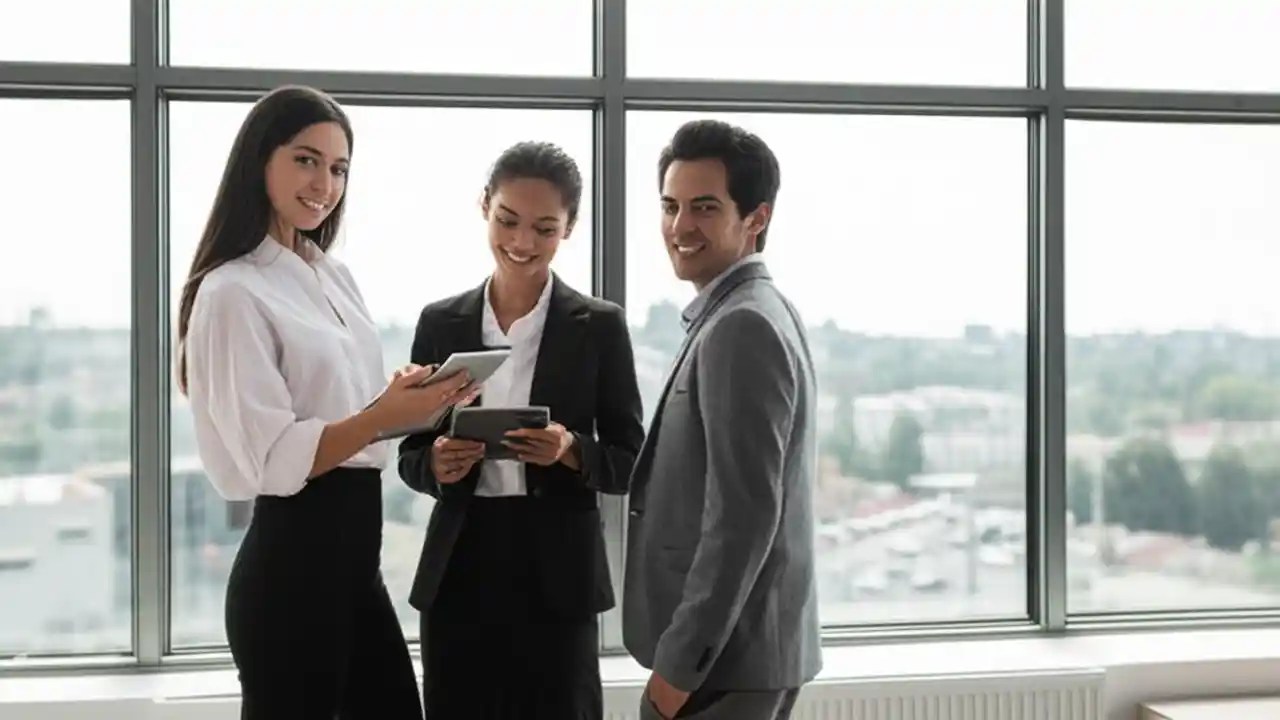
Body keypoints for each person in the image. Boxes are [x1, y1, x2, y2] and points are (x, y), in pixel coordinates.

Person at [178, 85, 474, 719]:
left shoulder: (331, 274)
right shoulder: (231, 292)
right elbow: (273, 457)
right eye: (306, 159)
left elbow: (353, 419)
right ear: (261, 158)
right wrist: (381, 416)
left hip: (354, 565)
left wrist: (413, 403)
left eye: (338, 168)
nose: (325, 182)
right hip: (292, 570)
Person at [398, 140, 646, 719]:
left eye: (545, 228)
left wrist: (570, 450)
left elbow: (630, 459)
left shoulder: (599, 327)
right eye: (508, 221)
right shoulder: (442, 322)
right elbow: (409, 452)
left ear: (569, 228)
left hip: (556, 576)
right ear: (484, 206)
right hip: (462, 567)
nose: (522, 243)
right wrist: (435, 463)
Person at [623, 119, 823, 720]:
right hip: (736, 659)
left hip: (723, 667)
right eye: (670, 205)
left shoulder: (743, 326)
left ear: (755, 218)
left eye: (704, 207)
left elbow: (742, 518)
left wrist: (676, 675)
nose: (680, 227)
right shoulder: (750, 310)